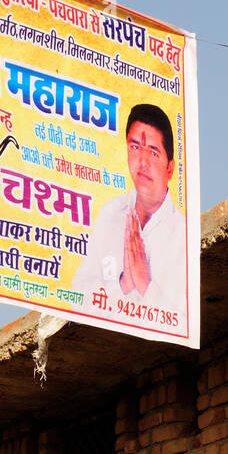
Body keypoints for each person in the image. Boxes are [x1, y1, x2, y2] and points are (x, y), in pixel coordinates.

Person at [73, 103, 186, 322]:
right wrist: (122, 283)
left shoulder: (182, 235)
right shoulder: (110, 214)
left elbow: (185, 325)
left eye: (153, 152)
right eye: (135, 147)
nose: (142, 163)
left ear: (170, 168)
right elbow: (77, 299)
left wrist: (145, 285)